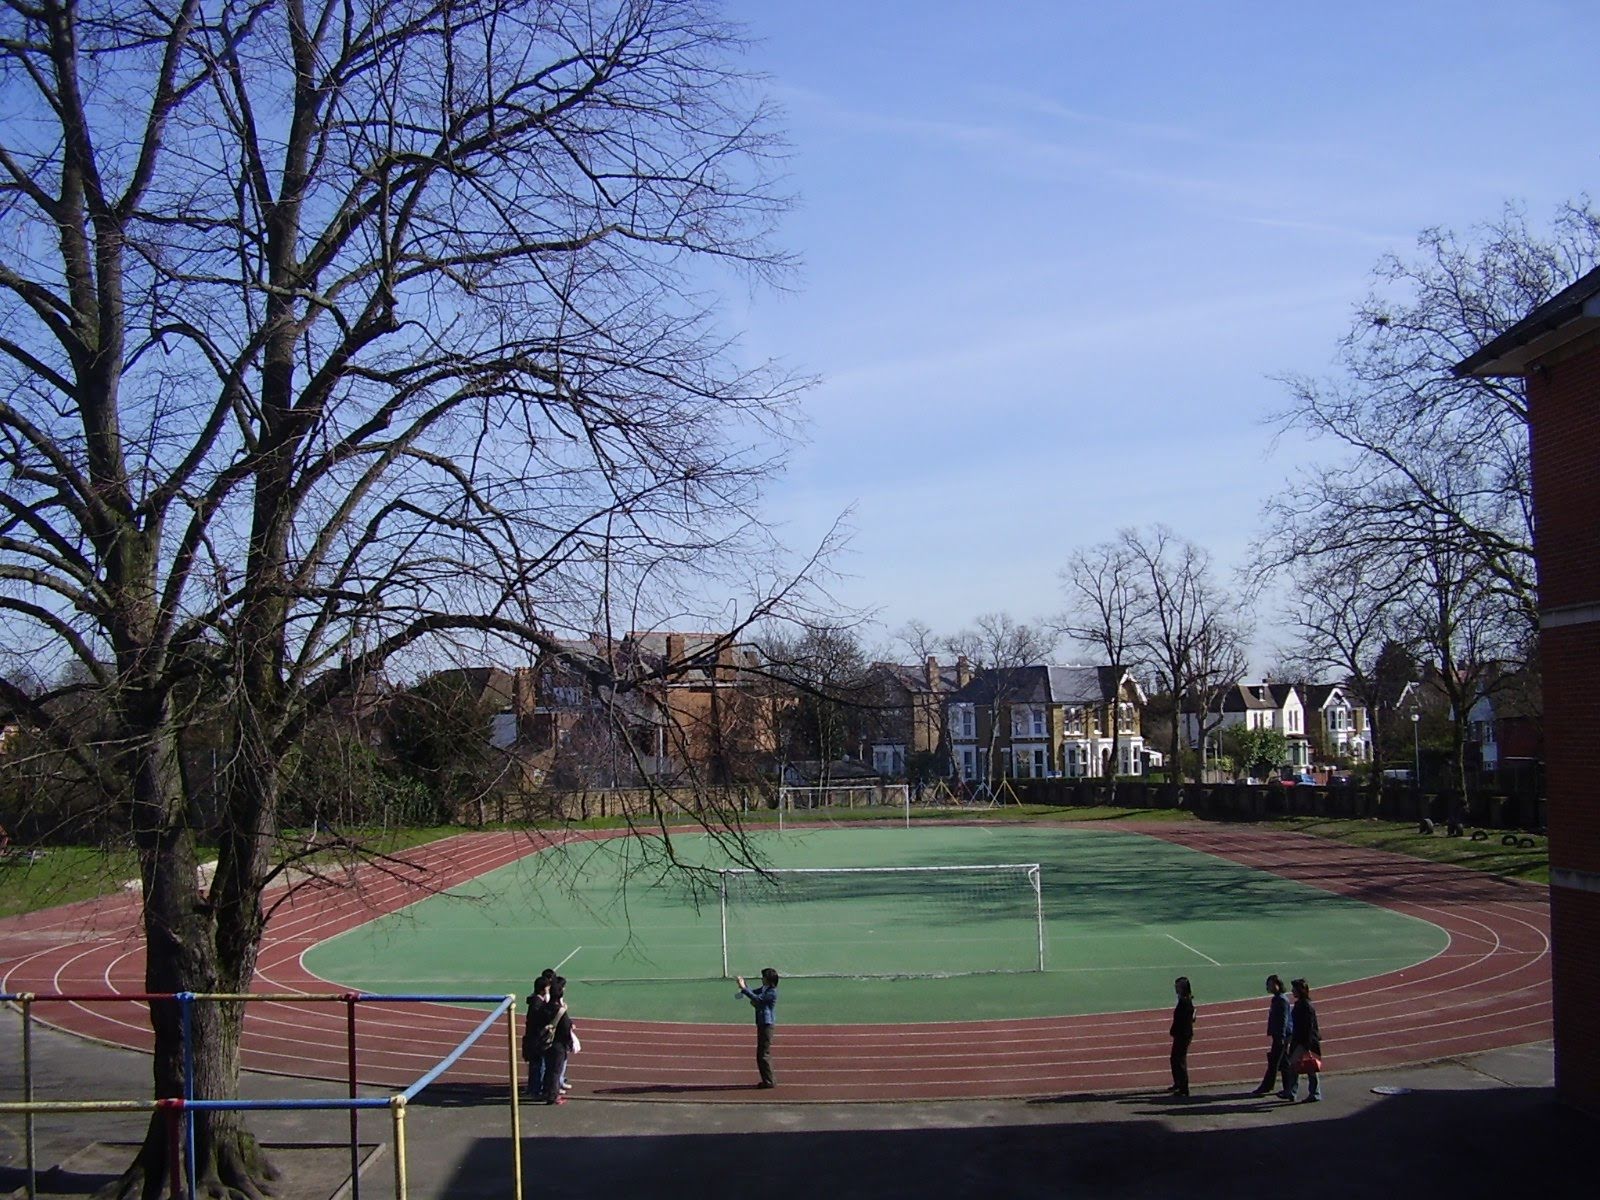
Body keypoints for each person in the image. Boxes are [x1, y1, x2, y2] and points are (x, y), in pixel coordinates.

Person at [1279, 977, 1323, 1102]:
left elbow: (1309, 1027)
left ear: (1301, 990)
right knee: (1297, 1066)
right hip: (1299, 1040)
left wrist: (1307, 1046)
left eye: (1294, 988)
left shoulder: (1305, 1006)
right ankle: (1293, 1092)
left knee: (1307, 1067)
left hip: (1304, 1042)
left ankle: (1312, 1093)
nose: (1292, 991)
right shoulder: (1301, 1004)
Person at [736, 967, 780, 1088]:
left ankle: (769, 1081)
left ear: (769, 980)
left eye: (763, 977)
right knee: (761, 1054)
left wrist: (744, 989)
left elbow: (757, 999)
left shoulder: (772, 992)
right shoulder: (765, 989)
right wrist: (744, 985)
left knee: (763, 1054)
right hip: (762, 1022)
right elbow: (753, 993)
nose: (762, 979)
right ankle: (768, 1080)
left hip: (767, 1023)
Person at [1251, 974, 1292, 1096]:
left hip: (1281, 1036)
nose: (1268, 987)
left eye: (1270, 984)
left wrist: (1281, 1036)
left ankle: (1266, 1086)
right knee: (1284, 1062)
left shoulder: (1281, 1000)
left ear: (1278, 985)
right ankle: (1288, 1088)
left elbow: (1284, 1020)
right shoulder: (1277, 999)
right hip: (1280, 1035)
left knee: (1274, 1062)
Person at [540, 976, 575, 1105]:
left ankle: (546, 1091)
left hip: (546, 1041)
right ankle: (553, 1096)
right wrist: (570, 1043)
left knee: (548, 1069)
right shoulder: (560, 1010)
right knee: (556, 1070)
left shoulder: (544, 1007)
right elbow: (565, 1028)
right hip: (558, 1043)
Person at [522, 969, 555, 1097]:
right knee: (537, 1065)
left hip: (535, 1037)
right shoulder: (537, 1003)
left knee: (537, 1065)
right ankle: (534, 1089)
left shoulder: (537, 1001)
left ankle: (534, 1088)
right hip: (535, 1039)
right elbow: (537, 1020)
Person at [1168, 976, 1194, 1097]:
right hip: (1180, 1033)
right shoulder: (1183, 999)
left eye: (1177, 986)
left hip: (1183, 1035)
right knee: (1174, 1059)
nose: (1175, 988)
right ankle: (1178, 1083)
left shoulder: (1185, 1001)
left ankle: (1183, 1087)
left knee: (1179, 1060)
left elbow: (1186, 1018)